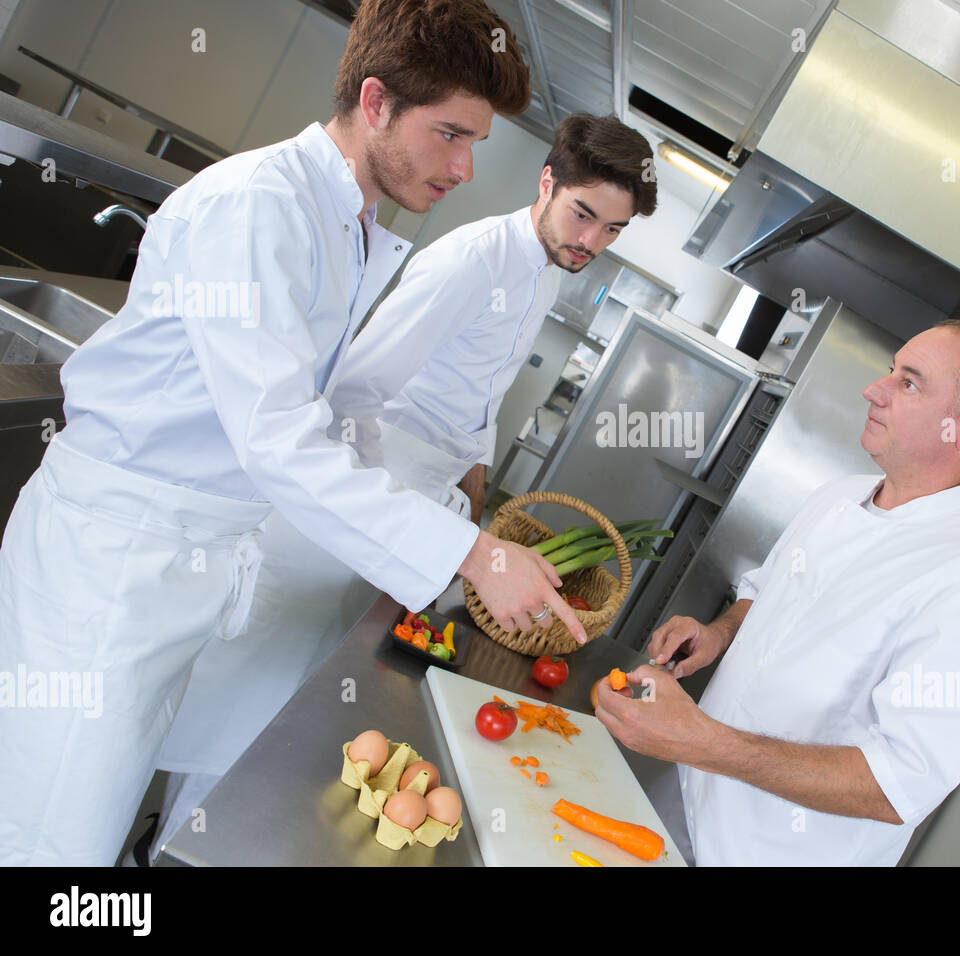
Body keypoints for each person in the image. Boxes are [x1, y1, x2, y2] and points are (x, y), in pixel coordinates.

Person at [0, 0, 591, 868]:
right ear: (379, 102)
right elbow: (279, 436)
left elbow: (313, 414)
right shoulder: (258, 207)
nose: (465, 168)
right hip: (114, 561)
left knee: (111, 802)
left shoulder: (347, 220)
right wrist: (470, 553)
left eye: (477, 144)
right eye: (452, 135)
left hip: (190, 559)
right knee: (52, 837)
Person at [148, 113, 658, 861]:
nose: (590, 241)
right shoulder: (473, 259)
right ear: (547, 182)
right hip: (354, 505)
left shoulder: (542, 272)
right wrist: (420, 526)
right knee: (251, 709)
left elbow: (477, 399)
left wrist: (469, 492)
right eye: (584, 214)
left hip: (411, 509)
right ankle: (173, 854)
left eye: (612, 231)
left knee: (301, 699)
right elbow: (358, 390)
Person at [594, 319, 960, 866]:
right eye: (890, 371)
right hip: (688, 795)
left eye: (909, 382)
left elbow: (896, 784)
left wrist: (700, 741)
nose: (873, 390)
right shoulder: (841, 496)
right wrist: (717, 634)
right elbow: (764, 594)